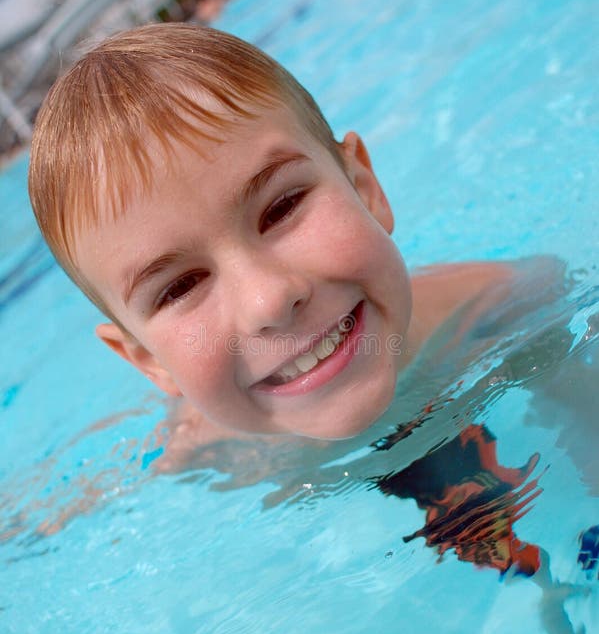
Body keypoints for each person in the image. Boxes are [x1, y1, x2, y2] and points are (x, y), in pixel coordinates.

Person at [27, 23, 554, 447]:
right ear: (148, 361)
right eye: (180, 287)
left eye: (281, 208)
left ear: (365, 187)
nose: (269, 300)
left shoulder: (511, 307)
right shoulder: (200, 448)